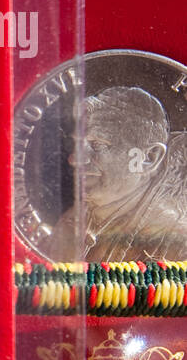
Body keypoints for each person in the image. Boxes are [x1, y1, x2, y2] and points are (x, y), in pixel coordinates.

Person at [53, 86, 187, 262]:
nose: (74, 159)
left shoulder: (175, 241)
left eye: (98, 144)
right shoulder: (71, 221)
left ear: (149, 158)